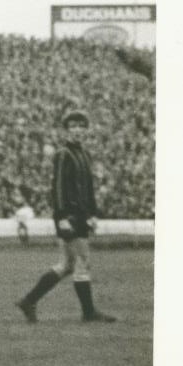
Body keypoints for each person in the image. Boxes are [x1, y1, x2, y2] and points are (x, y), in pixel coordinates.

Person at [17, 109, 117, 323]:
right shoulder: (63, 154)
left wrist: (92, 213)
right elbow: (59, 187)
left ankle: (29, 301)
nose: (77, 130)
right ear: (66, 131)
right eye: (73, 127)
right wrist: (62, 216)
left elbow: (88, 188)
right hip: (70, 216)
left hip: (80, 215)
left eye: (81, 126)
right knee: (82, 261)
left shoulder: (84, 154)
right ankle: (89, 313)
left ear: (86, 130)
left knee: (67, 265)